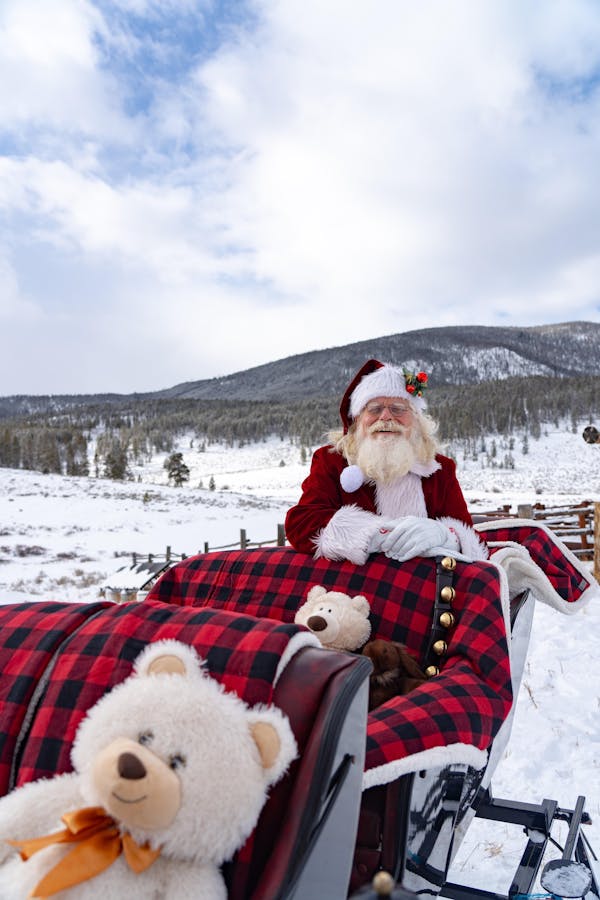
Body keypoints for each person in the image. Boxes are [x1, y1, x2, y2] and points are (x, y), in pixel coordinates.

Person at [285, 359, 488, 564]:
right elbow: (302, 522)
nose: (386, 417)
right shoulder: (332, 461)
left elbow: (473, 542)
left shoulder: (439, 469)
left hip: (426, 589)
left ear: (415, 419)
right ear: (357, 419)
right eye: (374, 409)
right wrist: (380, 534)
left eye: (398, 408)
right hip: (352, 589)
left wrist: (445, 535)